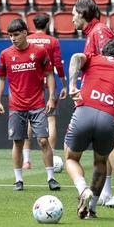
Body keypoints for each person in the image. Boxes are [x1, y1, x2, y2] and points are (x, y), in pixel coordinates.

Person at [65, 39, 114, 220]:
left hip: (84, 112)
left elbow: (75, 58)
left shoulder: (94, 58)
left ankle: (83, 190)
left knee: (71, 158)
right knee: (100, 163)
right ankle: (91, 209)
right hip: (109, 119)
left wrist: (72, 86)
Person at [70, 0, 114, 208]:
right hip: (99, 94)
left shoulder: (100, 31)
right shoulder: (92, 33)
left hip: (105, 95)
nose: (72, 19)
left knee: (110, 143)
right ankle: (105, 192)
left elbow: (112, 62)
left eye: (74, 14)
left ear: (84, 13)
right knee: (101, 146)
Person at [0, 19, 59, 192]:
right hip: (16, 106)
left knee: (43, 141)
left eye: (16, 35)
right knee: (18, 142)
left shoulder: (40, 52)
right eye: (10, 36)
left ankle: (51, 178)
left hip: (37, 104)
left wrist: (52, 97)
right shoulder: (5, 54)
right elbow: (1, 78)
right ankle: (18, 180)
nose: (13, 38)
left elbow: (49, 74)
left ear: (25, 33)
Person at [25, 14, 67, 169]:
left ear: (34, 24)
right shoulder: (53, 41)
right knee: (51, 120)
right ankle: (52, 158)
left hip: (30, 85)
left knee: (29, 120)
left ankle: (26, 160)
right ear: (47, 24)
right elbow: (57, 64)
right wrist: (63, 84)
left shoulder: (27, 39)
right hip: (48, 85)